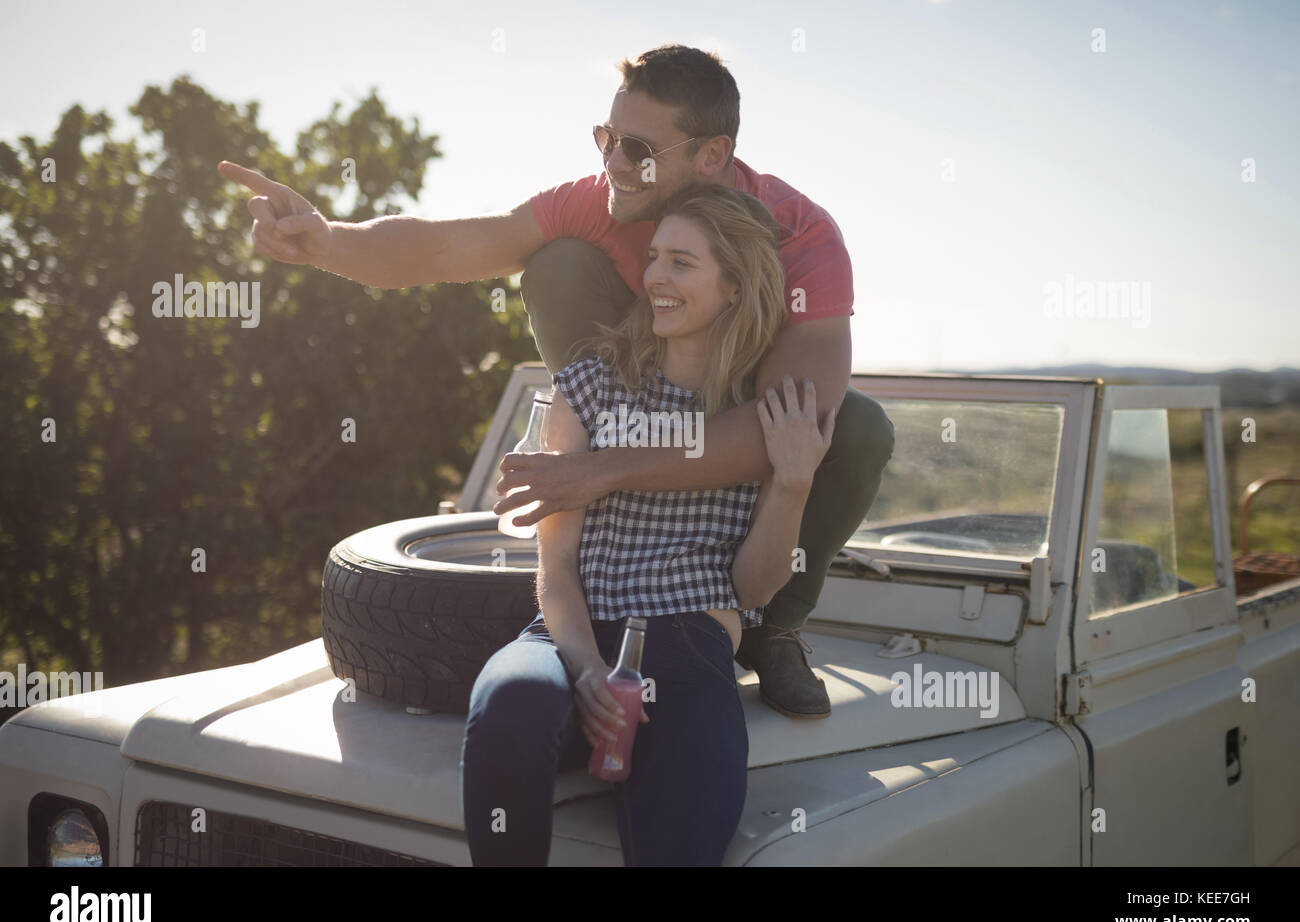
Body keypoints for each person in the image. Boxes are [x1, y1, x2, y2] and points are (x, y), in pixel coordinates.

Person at [218, 43, 895, 719]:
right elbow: (446, 245)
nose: (614, 164)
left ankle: (773, 626)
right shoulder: (599, 202)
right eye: (607, 139)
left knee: (858, 428)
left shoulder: (802, 237)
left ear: (711, 157)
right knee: (556, 263)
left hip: (725, 415)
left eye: (637, 148)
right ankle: (589, 563)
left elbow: (780, 432)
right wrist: (329, 240)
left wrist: (599, 471)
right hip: (629, 404)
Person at [460, 182, 833, 865]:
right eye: (655, 257)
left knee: (686, 823)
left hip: (689, 642)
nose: (655, 276)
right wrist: (585, 671)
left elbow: (752, 590)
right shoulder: (588, 387)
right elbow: (557, 572)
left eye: (682, 263)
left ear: (734, 285)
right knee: (509, 705)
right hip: (569, 630)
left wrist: (793, 484)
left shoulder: (758, 413)